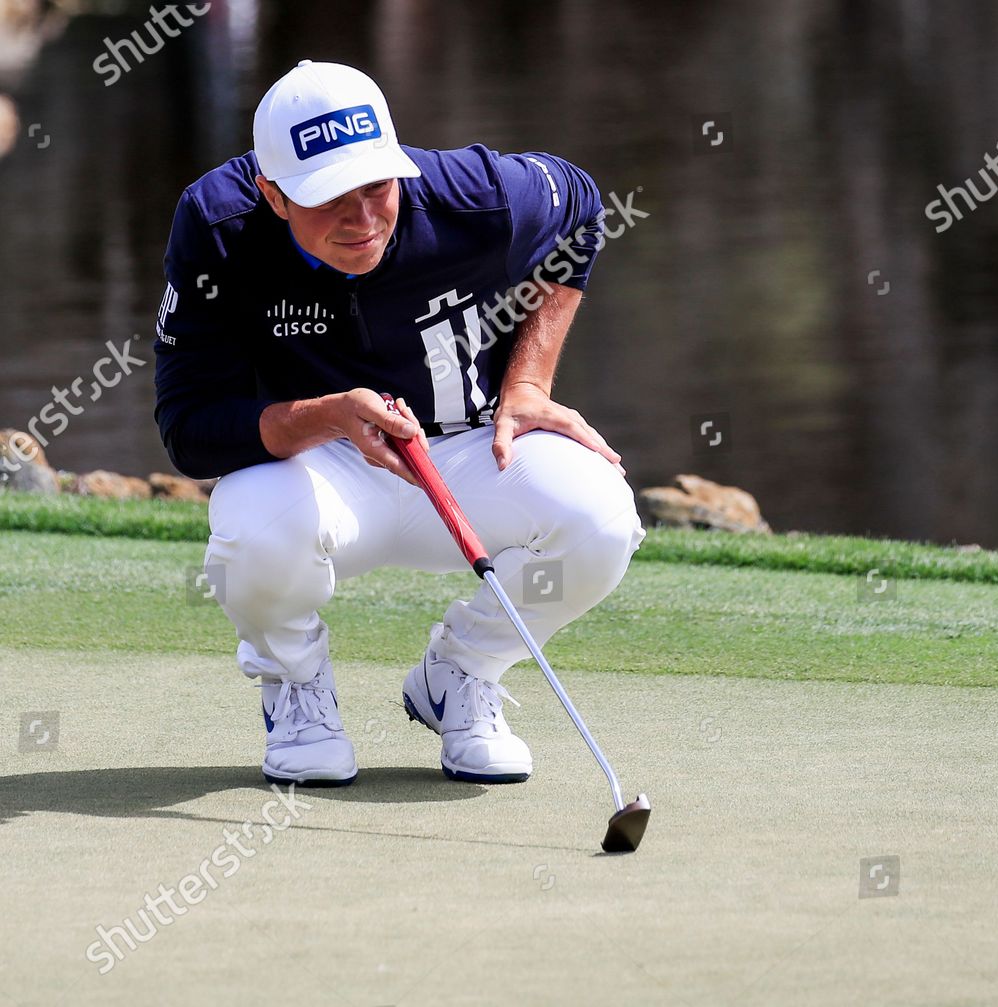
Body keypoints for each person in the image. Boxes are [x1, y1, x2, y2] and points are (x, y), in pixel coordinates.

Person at [154, 60, 644, 787]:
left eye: (376, 187)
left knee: (601, 516)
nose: (362, 219)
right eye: (328, 199)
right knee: (252, 529)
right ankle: (296, 690)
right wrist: (330, 416)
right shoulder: (217, 226)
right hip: (321, 469)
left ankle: (460, 674)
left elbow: (579, 208)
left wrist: (530, 378)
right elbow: (190, 429)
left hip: (476, 448)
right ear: (273, 194)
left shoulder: (473, 196)